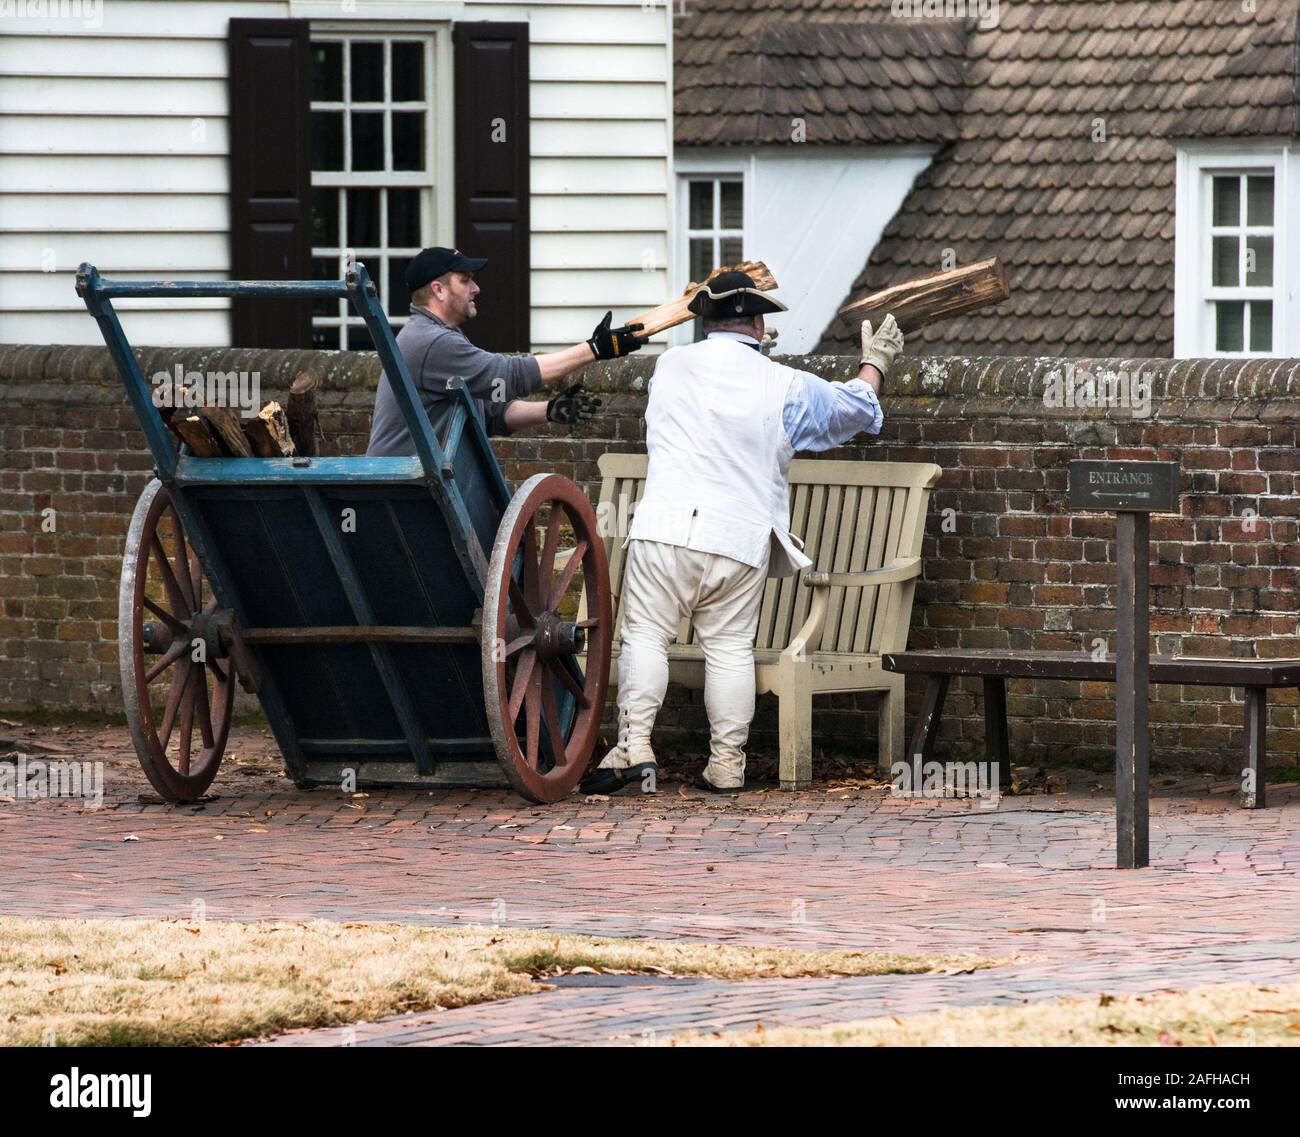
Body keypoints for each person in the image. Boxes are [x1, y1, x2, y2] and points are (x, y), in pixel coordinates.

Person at [579, 271, 905, 795]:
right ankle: (726, 766)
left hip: (663, 528)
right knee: (730, 649)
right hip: (739, 538)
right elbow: (855, 412)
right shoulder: (785, 385)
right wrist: (876, 363)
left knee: (645, 638)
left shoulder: (668, 366)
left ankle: (634, 747)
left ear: (706, 321)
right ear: (758, 323)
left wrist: (749, 351)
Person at [367, 246, 642, 455]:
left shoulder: (442, 336)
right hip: (401, 493)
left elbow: (490, 414)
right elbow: (509, 374)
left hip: (414, 485)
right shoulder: (429, 341)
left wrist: (550, 409)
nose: (476, 288)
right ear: (438, 290)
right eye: (465, 280)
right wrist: (595, 349)